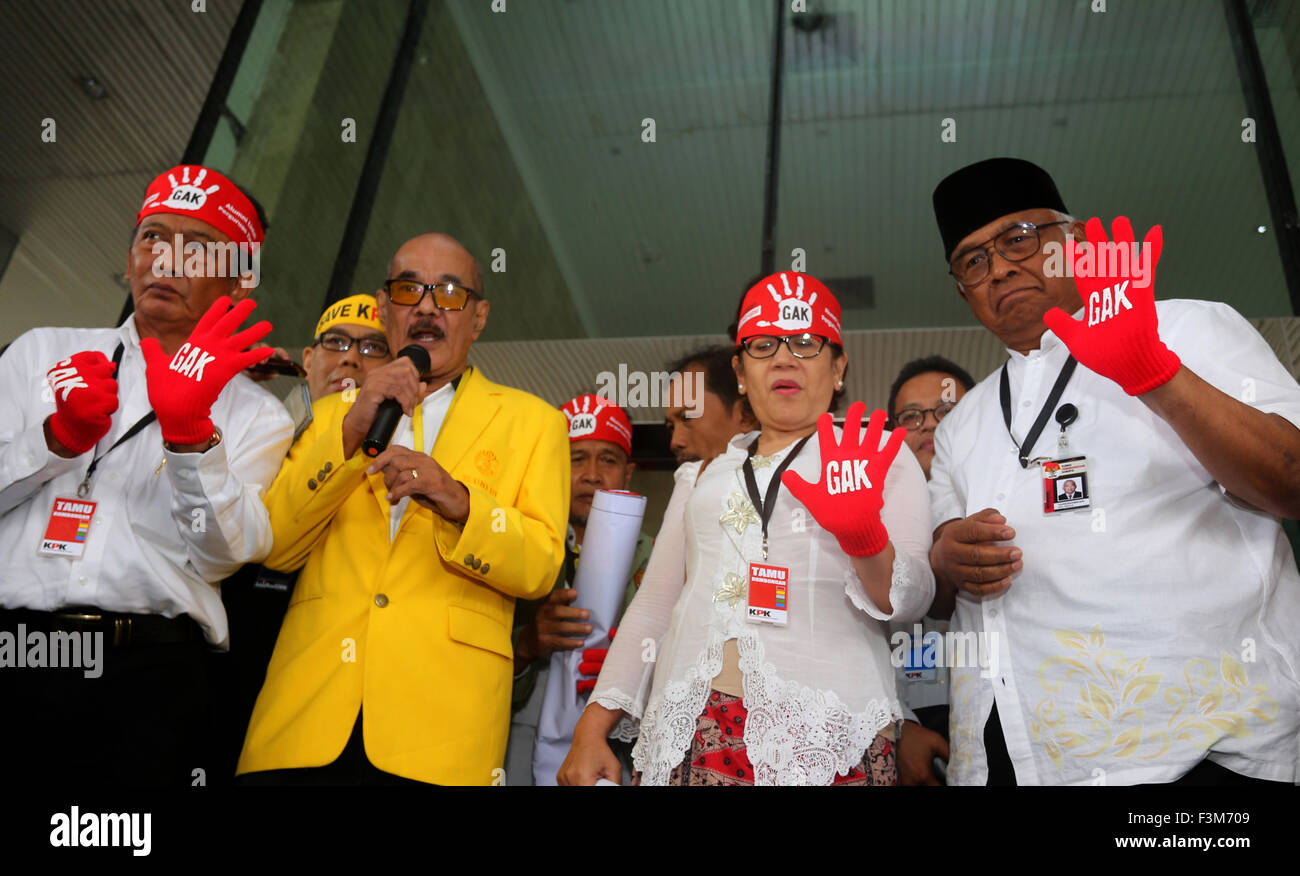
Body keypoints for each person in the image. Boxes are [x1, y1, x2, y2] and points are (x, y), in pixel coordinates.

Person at [928, 157, 1300, 785]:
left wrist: (1157, 373)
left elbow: (1290, 479)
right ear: (965, 293)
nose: (1000, 267)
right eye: (973, 260)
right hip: (1014, 757)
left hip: (1197, 752)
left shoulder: (1188, 326)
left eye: (1020, 237)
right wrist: (945, 560)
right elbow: (937, 587)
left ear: (1072, 241)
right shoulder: (960, 421)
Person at [559, 271, 935, 786]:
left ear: (839, 365)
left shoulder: (879, 456)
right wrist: (592, 729)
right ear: (740, 370)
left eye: (805, 342)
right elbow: (654, 606)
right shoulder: (703, 475)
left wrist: (865, 538)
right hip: (690, 733)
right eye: (763, 345)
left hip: (829, 735)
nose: (784, 358)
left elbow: (912, 602)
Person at [236, 232, 569, 786]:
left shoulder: (533, 423)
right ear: (385, 307)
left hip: (441, 740)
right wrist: (348, 432)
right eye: (410, 289)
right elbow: (276, 546)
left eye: (451, 293)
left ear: (479, 318)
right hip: (303, 726)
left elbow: (538, 567)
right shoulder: (333, 417)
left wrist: (460, 502)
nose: (429, 308)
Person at [0, 164, 293, 787]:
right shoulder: (39, 352)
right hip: (14, 647)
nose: (168, 258)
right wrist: (55, 440)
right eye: (154, 237)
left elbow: (221, 558)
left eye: (200, 247)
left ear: (240, 281)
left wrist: (191, 435)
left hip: (149, 673)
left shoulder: (256, 413)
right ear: (131, 257)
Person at [211, 293, 392, 783]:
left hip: (315, 693)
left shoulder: (396, 465)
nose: (351, 357)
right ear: (308, 360)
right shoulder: (250, 426)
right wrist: (224, 392)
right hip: (213, 664)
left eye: (374, 348)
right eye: (336, 342)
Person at [506, 394, 653, 785]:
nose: (592, 474)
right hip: (515, 757)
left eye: (608, 459)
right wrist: (525, 646)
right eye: (575, 458)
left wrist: (641, 666)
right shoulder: (512, 547)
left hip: (617, 761)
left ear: (628, 473)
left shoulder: (661, 561)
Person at [885, 355, 976, 785]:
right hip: (904, 720)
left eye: (947, 411)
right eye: (911, 416)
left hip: (1001, 714)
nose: (929, 424)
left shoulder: (1010, 505)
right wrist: (899, 726)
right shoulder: (868, 521)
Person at [663, 345, 757, 467]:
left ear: (746, 416)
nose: (675, 442)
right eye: (671, 427)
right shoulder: (687, 483)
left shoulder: (784, 483)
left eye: (687, 417)